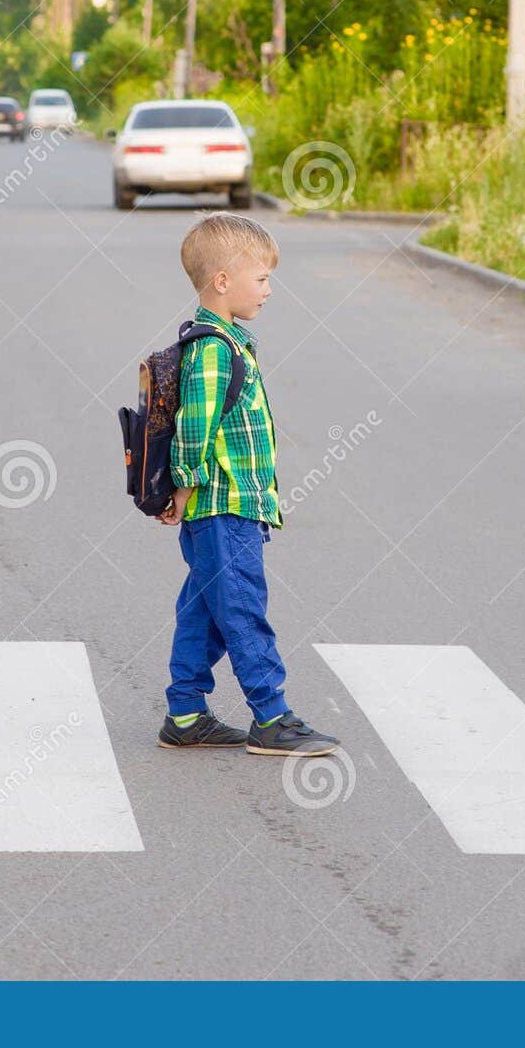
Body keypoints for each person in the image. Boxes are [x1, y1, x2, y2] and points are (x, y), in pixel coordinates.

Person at [156, 211, 341, 757]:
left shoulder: (231, 340)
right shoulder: (213, 348)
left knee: (204, 612)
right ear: (223, 282)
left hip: (235, 505)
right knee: (241, 609)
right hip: (221, 506)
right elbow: (195, 425)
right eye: (260, 279)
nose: (268, 289)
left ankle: (186, 714)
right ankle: (271, 715)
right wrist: (184, 488)